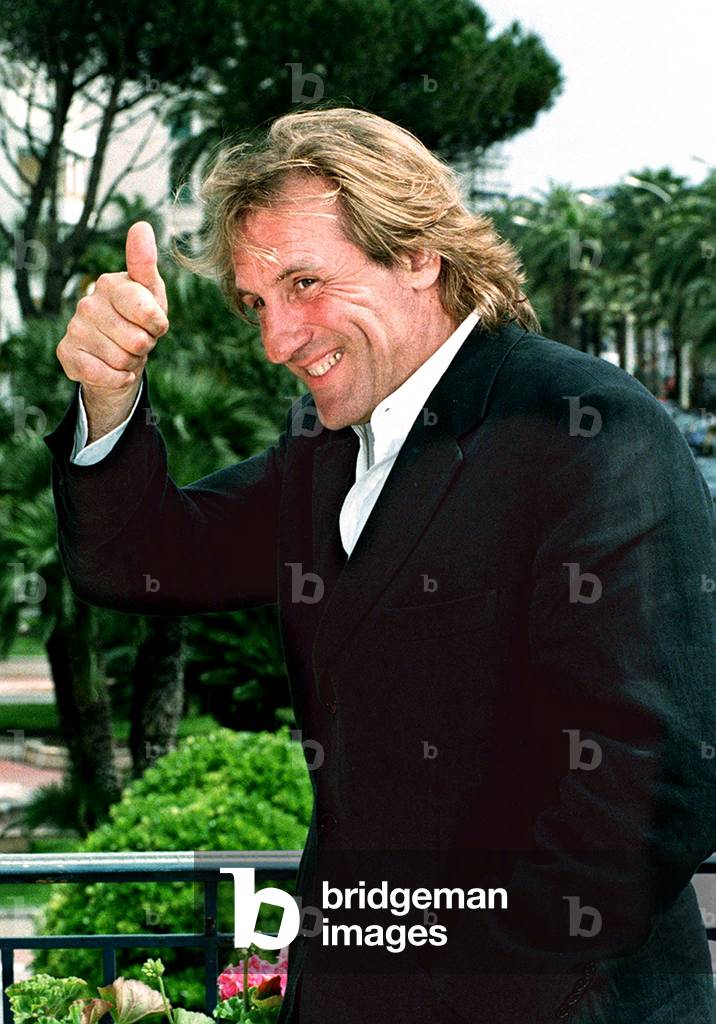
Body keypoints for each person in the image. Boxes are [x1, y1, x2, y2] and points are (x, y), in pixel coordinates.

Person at [44, 107, 715, 1023]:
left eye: (306, 282)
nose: (278, 340)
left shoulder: (590, 430)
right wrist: (109, 398)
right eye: (257, 304)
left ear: (417, 254)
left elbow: (651, 794)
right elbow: (137, 561)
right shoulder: (320, 459)